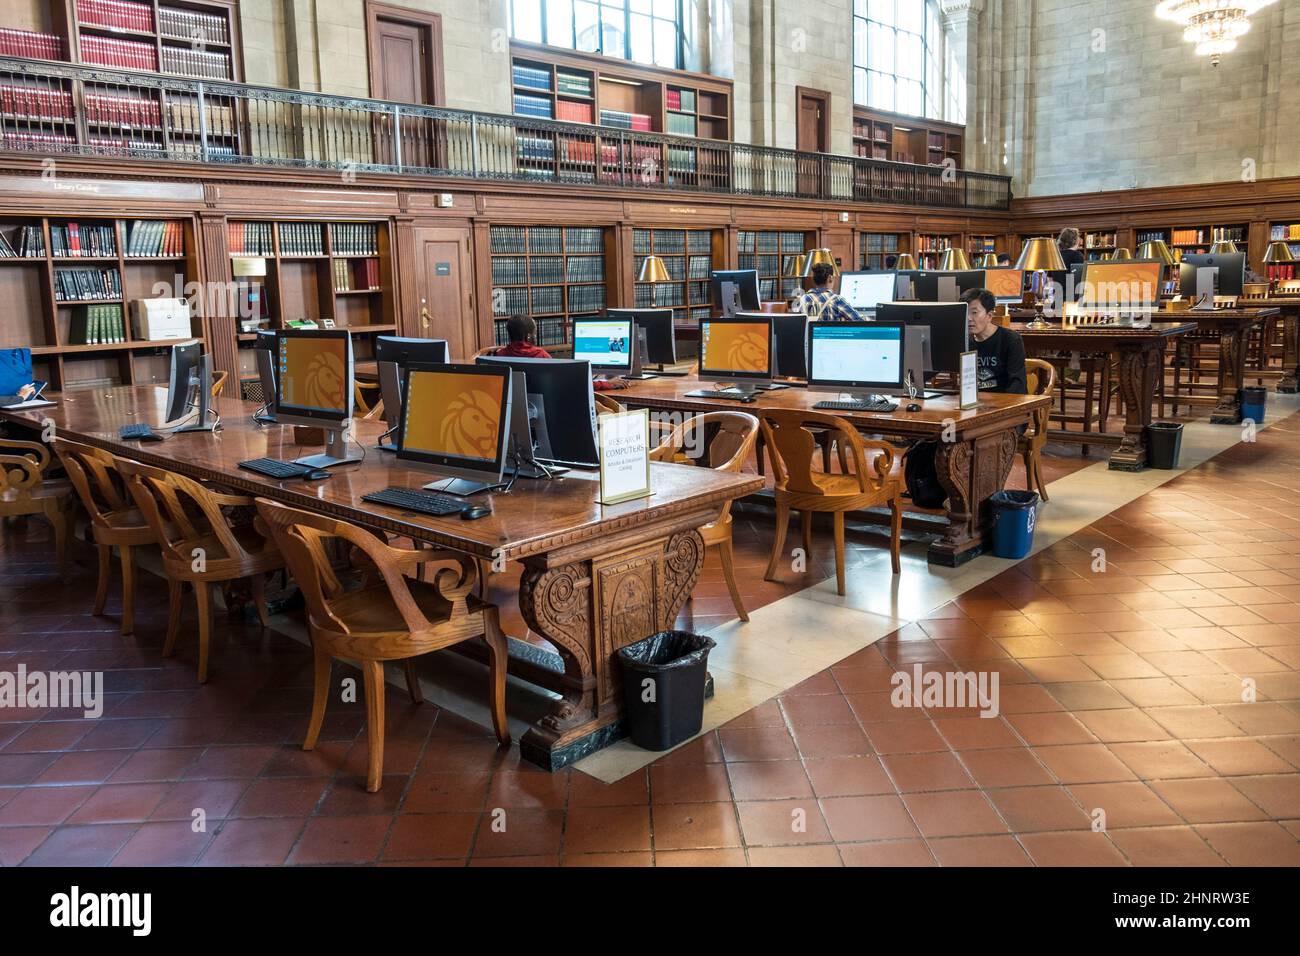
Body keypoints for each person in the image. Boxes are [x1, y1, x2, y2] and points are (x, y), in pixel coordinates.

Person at [962, 288, 1026, 394]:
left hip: (1004, 403)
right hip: (974, 403)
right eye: (965, 312)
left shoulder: (1010, 340)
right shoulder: (964, 342)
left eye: (974, 312)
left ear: (989, 315)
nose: (969, 318)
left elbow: (1017, 386)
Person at [792, 263, 860, 321]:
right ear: (830, 278)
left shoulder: (803, 298)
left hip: (809, 336)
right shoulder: (837, 300)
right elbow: (858, 320)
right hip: (830, 336)